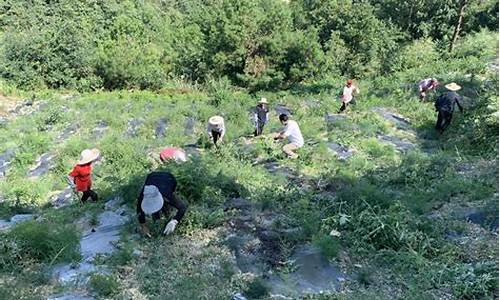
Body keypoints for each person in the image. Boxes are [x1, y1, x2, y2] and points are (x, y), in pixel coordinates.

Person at [137, 171, 188, 237]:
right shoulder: (144, 194)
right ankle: (157, 221)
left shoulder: (167, 194)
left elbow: (182, 207)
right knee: (155, 213)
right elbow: (139, 210)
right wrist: (143, 226)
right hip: (152, 177)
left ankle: (165, 214)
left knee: (167, 208)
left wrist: (174, 221)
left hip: (169, 178)